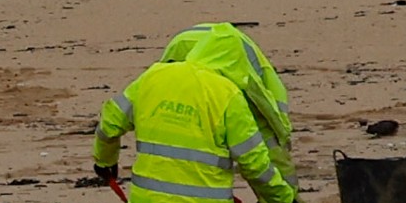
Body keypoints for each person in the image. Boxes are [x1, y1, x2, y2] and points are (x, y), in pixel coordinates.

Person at [95, 54, 299, 203]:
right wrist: (283, 198)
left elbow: (109, 124)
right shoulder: (227, 93)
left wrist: (104, 161)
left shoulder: (152, 78)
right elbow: (254, 162)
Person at [111, 23, 293, 175]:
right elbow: (268, 131)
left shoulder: (157, 75)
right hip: (219, 51)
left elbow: (116, 117)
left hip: (182, 42)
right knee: (262, 142)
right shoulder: (251, 80)